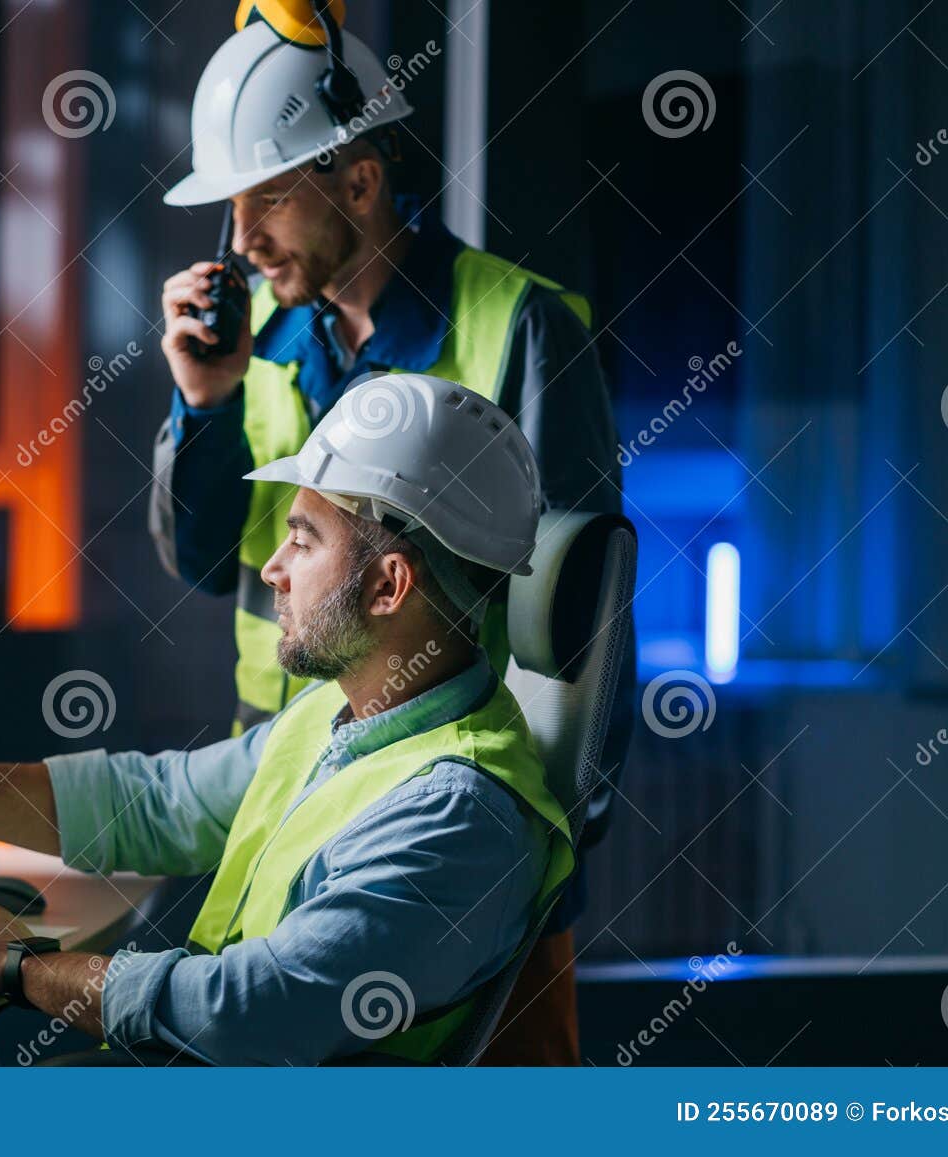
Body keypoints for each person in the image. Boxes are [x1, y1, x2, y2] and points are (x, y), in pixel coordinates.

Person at [0, 376, 576, 1066]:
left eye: (303, 538)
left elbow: (253, 1010)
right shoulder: (348, 719)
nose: (273, 568)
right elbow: (151, 800)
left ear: (388, 586)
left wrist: (23, 968)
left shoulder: (454, 811)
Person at [150, 4, 627, 1063]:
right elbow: (195, 554)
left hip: (445, 843)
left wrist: (528, 868)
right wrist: (202, 402)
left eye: (265, 200)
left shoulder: (521, 325)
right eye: (230, 210)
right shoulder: (255, 345)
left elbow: (581, 623)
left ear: (357, 181)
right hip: (285, 803)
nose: (241, 242)